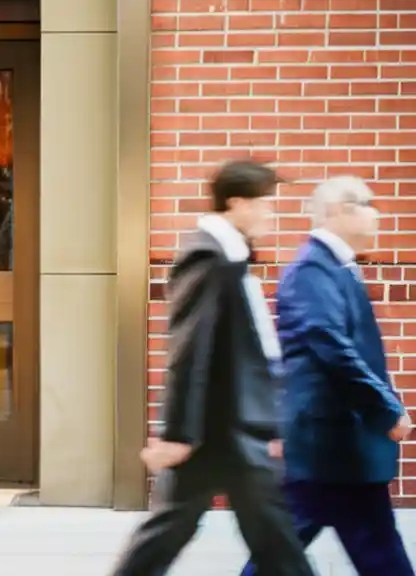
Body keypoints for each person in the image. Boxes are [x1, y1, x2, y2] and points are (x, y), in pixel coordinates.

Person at [110, 160, 311, 576]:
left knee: (270, 542)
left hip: (233, 432)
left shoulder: (231, 257)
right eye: (266, 203)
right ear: (237, 203)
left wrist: (268, 423)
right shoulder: (208, 258)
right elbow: (189, 349)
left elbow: (247, 352)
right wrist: (177, 434)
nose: (272, 213)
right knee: (269, 543)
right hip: (217, 434)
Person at [240, 176, 414, 576]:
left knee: (289, 554)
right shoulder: (312, 270)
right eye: (369, 205)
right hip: (330, 447)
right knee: (377, 557)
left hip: (337, 448)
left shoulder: (335, 268)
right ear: (340, 211)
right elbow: (331, 348)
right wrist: (385, 409)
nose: (377, 216)